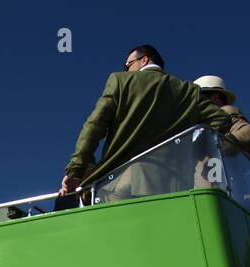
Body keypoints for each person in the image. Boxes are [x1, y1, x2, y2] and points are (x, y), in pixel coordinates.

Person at [57, 45, 232, 204]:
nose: (126, 69)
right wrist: (191, 146)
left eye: (128, 65)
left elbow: (94, 126)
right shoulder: (188, 92)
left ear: (145, 60)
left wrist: (76, 171)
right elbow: (223, 120)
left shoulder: (121, 81)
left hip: (122, 183)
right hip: (175, 188)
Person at [192, 75, 250, 156]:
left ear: (215, 98)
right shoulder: (198, 126)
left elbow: (248, 132)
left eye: (200, 100)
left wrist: (219, 147)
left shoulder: (226, 111)